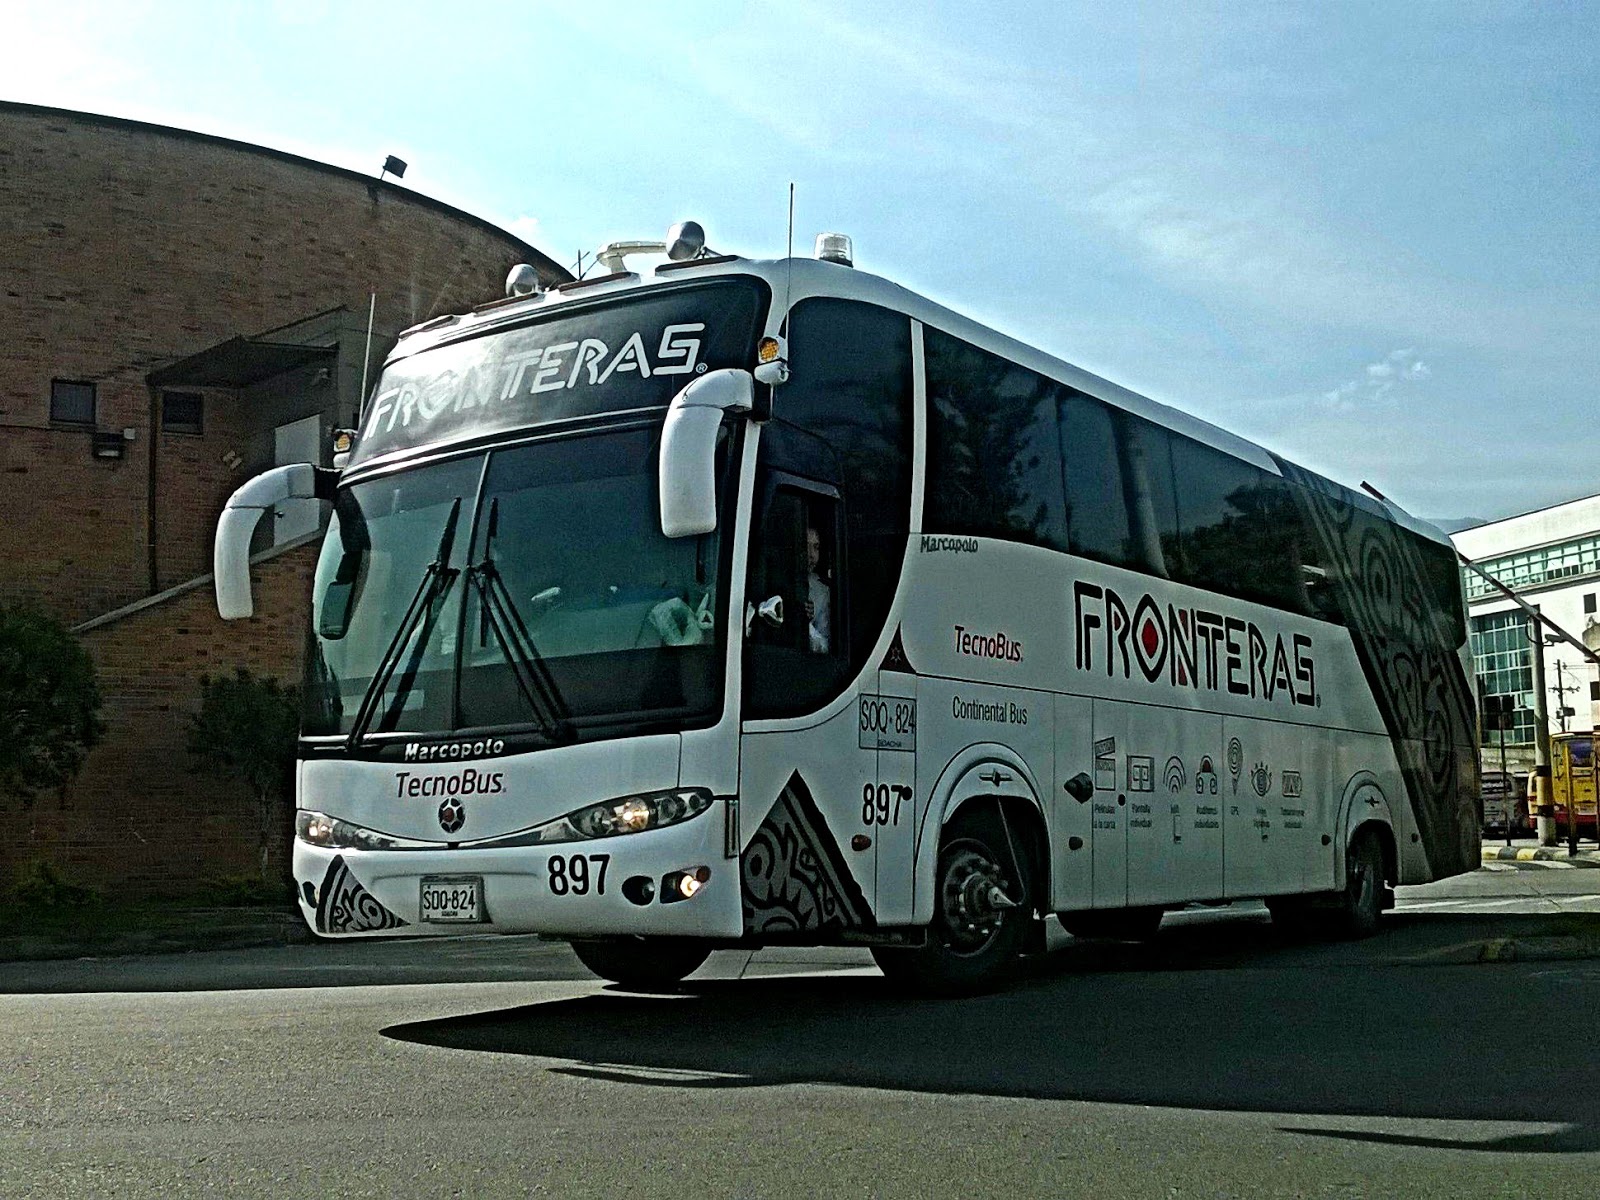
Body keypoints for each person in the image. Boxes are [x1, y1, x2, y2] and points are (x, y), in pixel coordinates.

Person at [804, 524, 832, 653]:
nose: (811, 555)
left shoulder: (821, 591)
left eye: (816, 547)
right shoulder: (767, 579)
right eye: (806, 546)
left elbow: (824, 646)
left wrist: (805, 624)